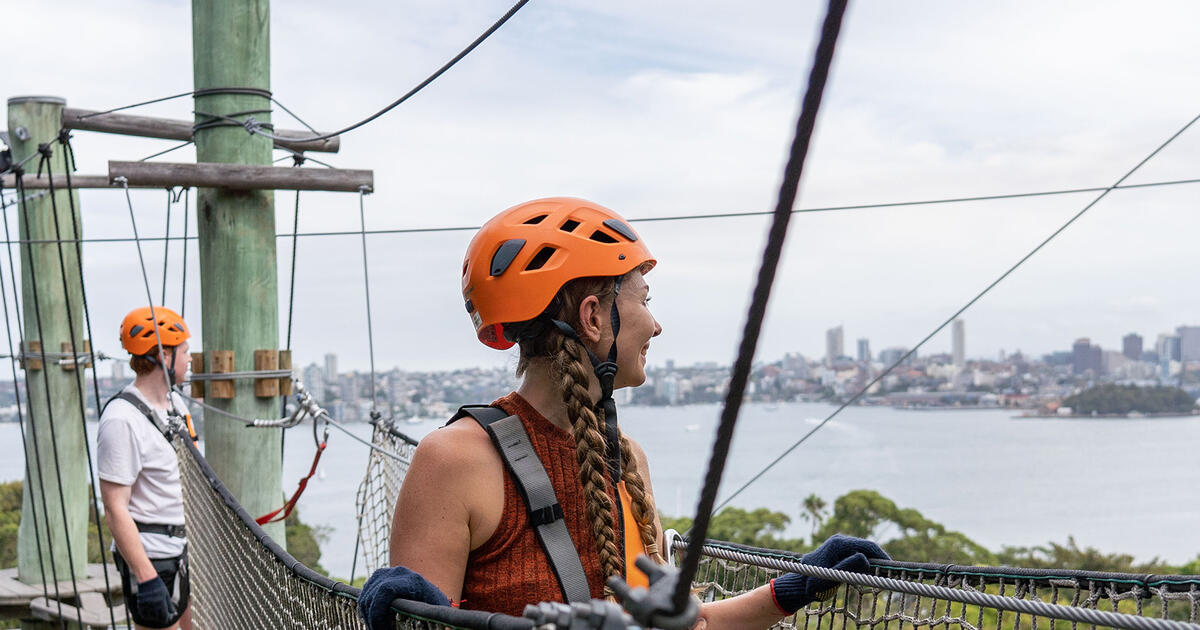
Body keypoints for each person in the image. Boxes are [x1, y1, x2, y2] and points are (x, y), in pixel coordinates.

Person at [365, 198, 887, 629]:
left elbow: (683, 625)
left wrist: (790, 588)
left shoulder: (626, 458)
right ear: (594, 316)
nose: (656, 326)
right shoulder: (455, 460)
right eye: (644, 299)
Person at [98, 306, 195, 630]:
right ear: (162, 356)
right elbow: (114, 508)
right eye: (184, 351)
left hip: (187, 550)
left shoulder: (175, 404)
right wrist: (147, 577)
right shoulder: (121, 420)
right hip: (154, 558)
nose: (190, 358)